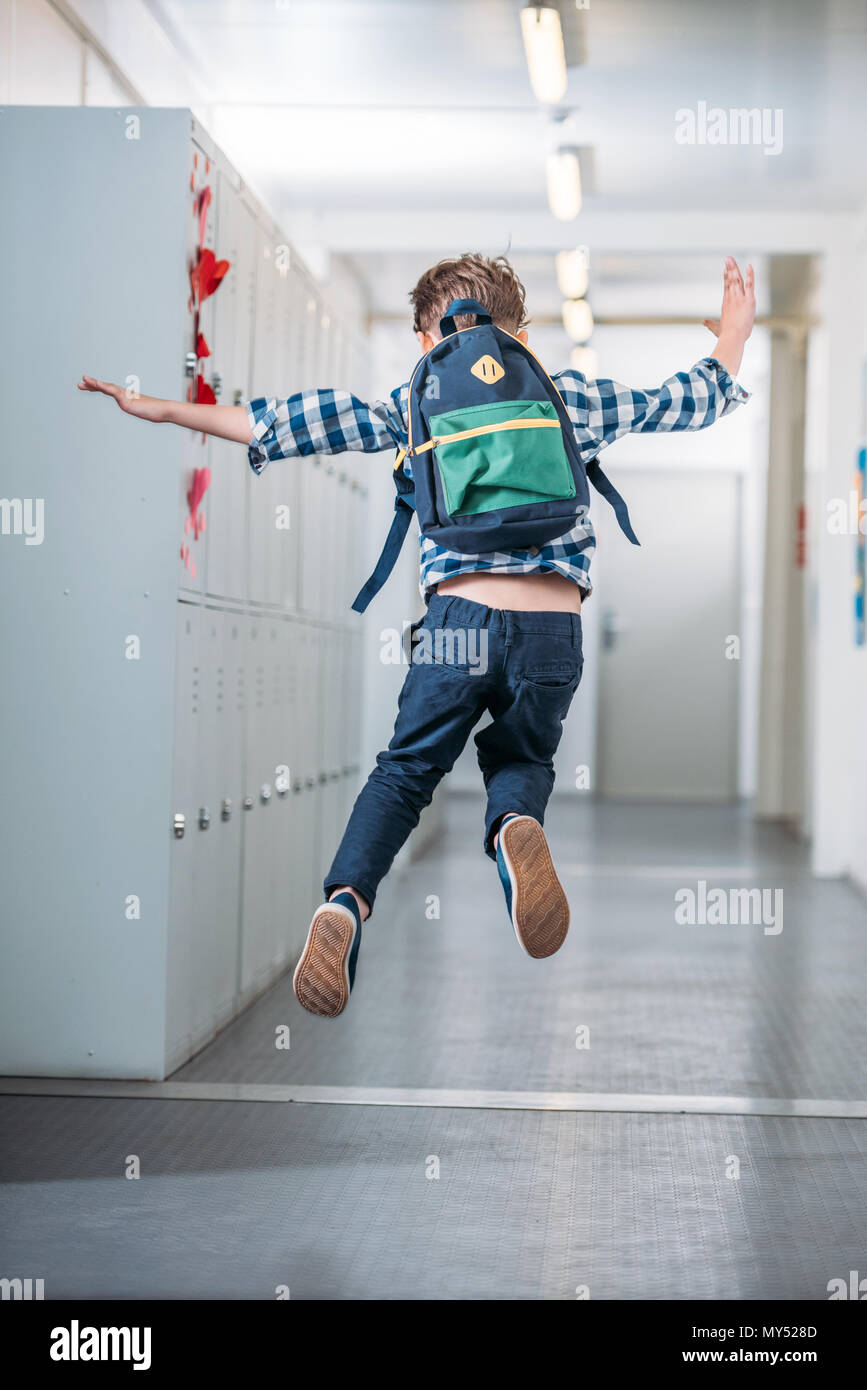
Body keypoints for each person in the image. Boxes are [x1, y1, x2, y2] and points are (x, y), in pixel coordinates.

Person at [79, 251, 755, 1018]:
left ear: (427, 335)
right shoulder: (572, 399)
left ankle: (344, 903)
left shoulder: (412, 404)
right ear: (520, 330)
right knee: (523, 756)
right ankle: (516, 826)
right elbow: (688, 400)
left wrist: (158, 408)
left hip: (455, 625)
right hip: (551, 630)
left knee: (404, 773)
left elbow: (281, 422)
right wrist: (732, 333)